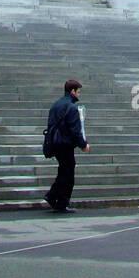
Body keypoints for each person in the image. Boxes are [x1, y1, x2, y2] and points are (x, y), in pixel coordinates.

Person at [44, 79, 89, 213]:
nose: (79, 95)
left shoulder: (56, 105)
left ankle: (53, 197)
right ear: (72, 91)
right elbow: (75, 130)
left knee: (64, 171)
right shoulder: (72, 108)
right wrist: (83, 145)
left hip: (55, 143)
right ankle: (61, 201)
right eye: (78, 92)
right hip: (65, 144)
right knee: (68, 173)